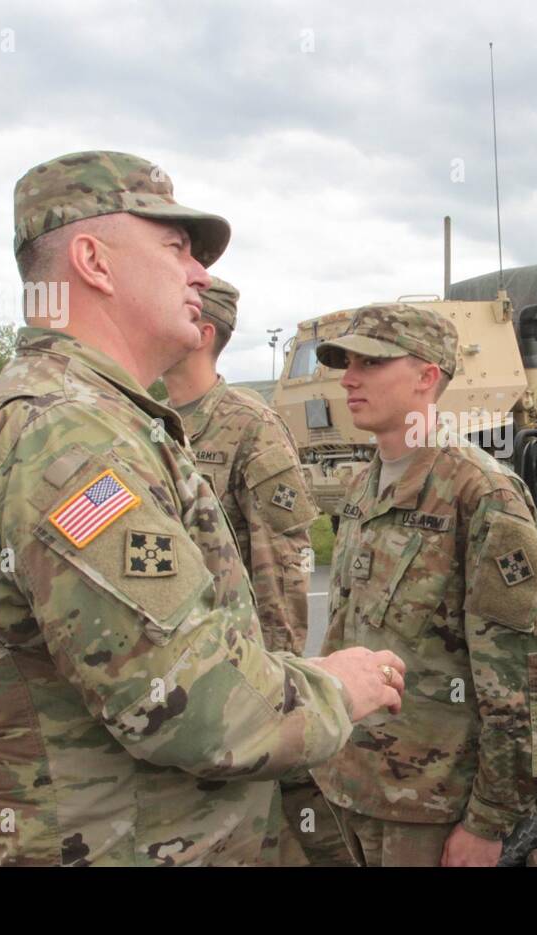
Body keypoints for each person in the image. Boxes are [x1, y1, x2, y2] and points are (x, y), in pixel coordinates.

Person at [0, 150, 405, 866]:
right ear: (93, 260)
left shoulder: (97, 417)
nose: (200, 275)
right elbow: (192, 706)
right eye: (175, 247)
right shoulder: (68, 434)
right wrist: (337, 687)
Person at [309, 303, 537, 866]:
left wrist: (490, 821)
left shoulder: (480, 495)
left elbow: (524, 677)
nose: (349, 377)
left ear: (428, 376)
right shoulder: (361, 487)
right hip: (352, 785)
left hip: (433, 806)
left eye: (371, 363)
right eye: (345, 362)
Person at [161, 275, 350, 865]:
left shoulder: (250, 426)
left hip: (241, 673)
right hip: (180, 666)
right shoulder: (153, 420)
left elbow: (282, 572)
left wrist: (274, 691)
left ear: (202, 332)